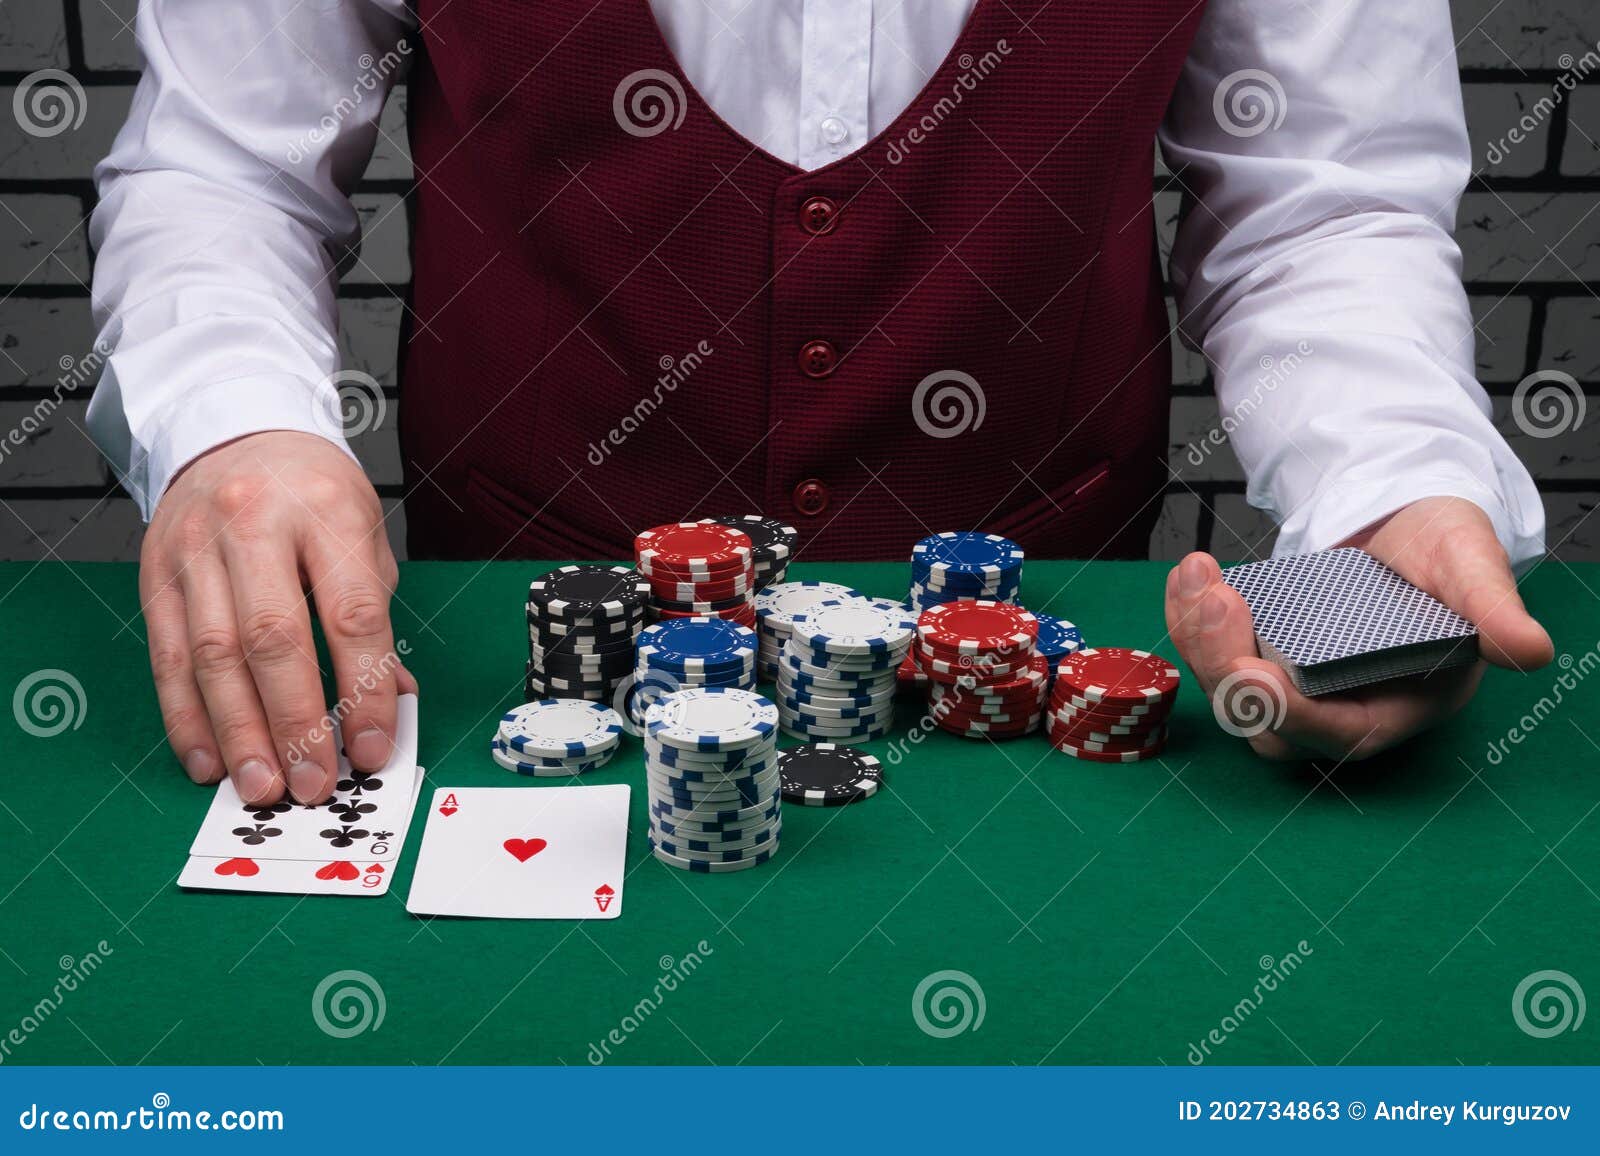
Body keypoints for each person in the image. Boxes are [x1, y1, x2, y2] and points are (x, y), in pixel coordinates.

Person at [87, 0, 1552, 805]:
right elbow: (226, 164)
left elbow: (1320, 207)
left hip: (1031, 684)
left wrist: (1389, 489)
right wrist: (235, 417)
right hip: (508, 640)